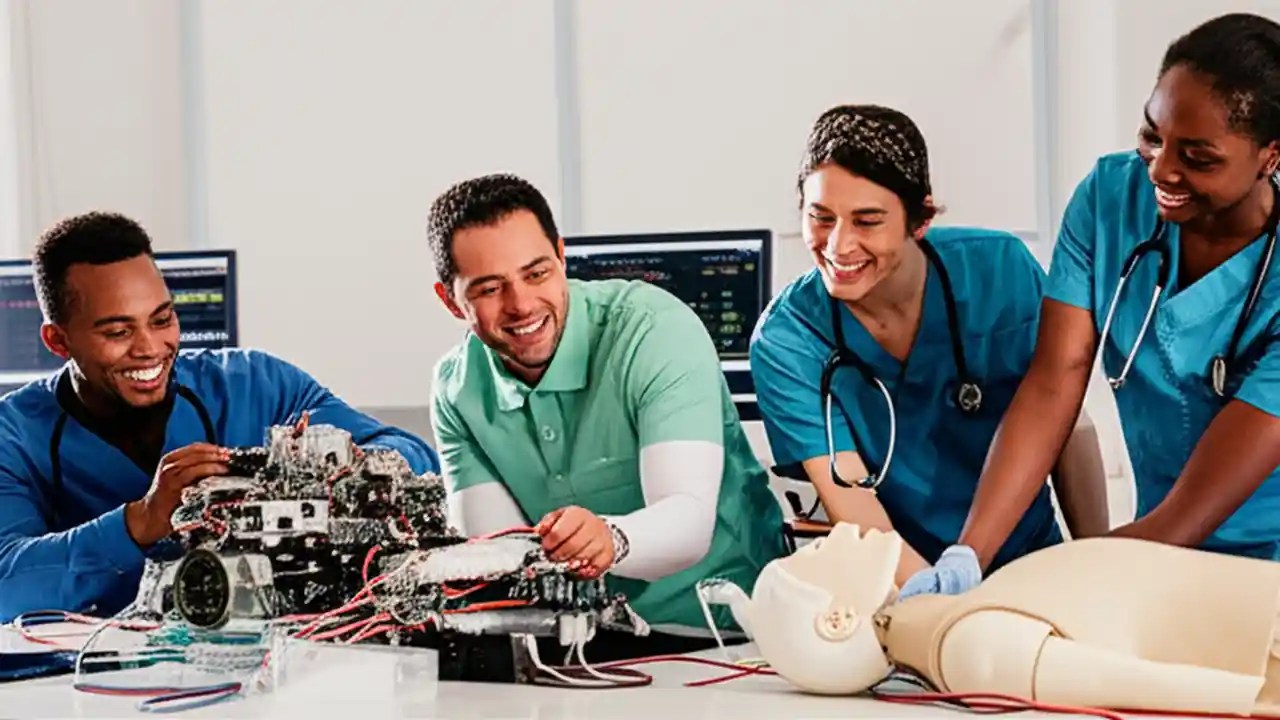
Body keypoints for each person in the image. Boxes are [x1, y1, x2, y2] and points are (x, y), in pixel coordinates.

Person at [901, 12, 1280, 598]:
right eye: (1152, 136)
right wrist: (970, 554)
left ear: (1270, 156)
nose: (1161, 169)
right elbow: (1054, 381)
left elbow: (1186, 517)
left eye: (1198, 157)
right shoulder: (1110, 198)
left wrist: (1049, 580)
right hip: (1161, 552)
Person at [0, 212, 440, 623]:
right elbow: (7, 580)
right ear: (58, 341)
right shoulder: (14, 436)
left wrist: (331, 468)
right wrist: (141, 521)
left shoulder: (257, 385)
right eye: (118, 332)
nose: (150, 348)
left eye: (162, 319)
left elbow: (412, 456)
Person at [427, 173, 786, 657]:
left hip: (721, 635)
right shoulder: (457, 389)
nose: (521, 304)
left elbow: (688, 524)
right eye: (490, 289)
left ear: (561, 256)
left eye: (537, 274)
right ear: (450, 300)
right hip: (578, 639)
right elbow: (501, 556)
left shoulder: (654, 331)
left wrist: (610, 538)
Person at [750, 104, 1109, 589]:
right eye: (821, 218)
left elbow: (1067, 424)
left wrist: (1099, 565)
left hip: (1033, 569)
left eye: (867, 221)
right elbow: (856, 512)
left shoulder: (998, 271)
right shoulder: (788, 340)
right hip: (902, 582)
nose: (838, 245)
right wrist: (938, 604)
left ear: (919, 220)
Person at [707, 521, 1280, 717]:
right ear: (837, 620)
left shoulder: (970, 619)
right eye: (815, 553)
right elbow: (1203, 694)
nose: (835, 533)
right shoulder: (974, 649)